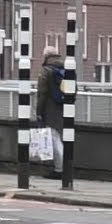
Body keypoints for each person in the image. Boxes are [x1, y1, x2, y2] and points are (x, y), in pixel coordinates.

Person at [35, 46, 66, 179]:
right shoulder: (65, 68)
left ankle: (60, 170)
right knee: (60, 137)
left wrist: (38, 110)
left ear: (46, 56)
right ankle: (61, 168)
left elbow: (42, 93)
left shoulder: (46, 70)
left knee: (55, 138)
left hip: (50, 108)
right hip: (64, 108)